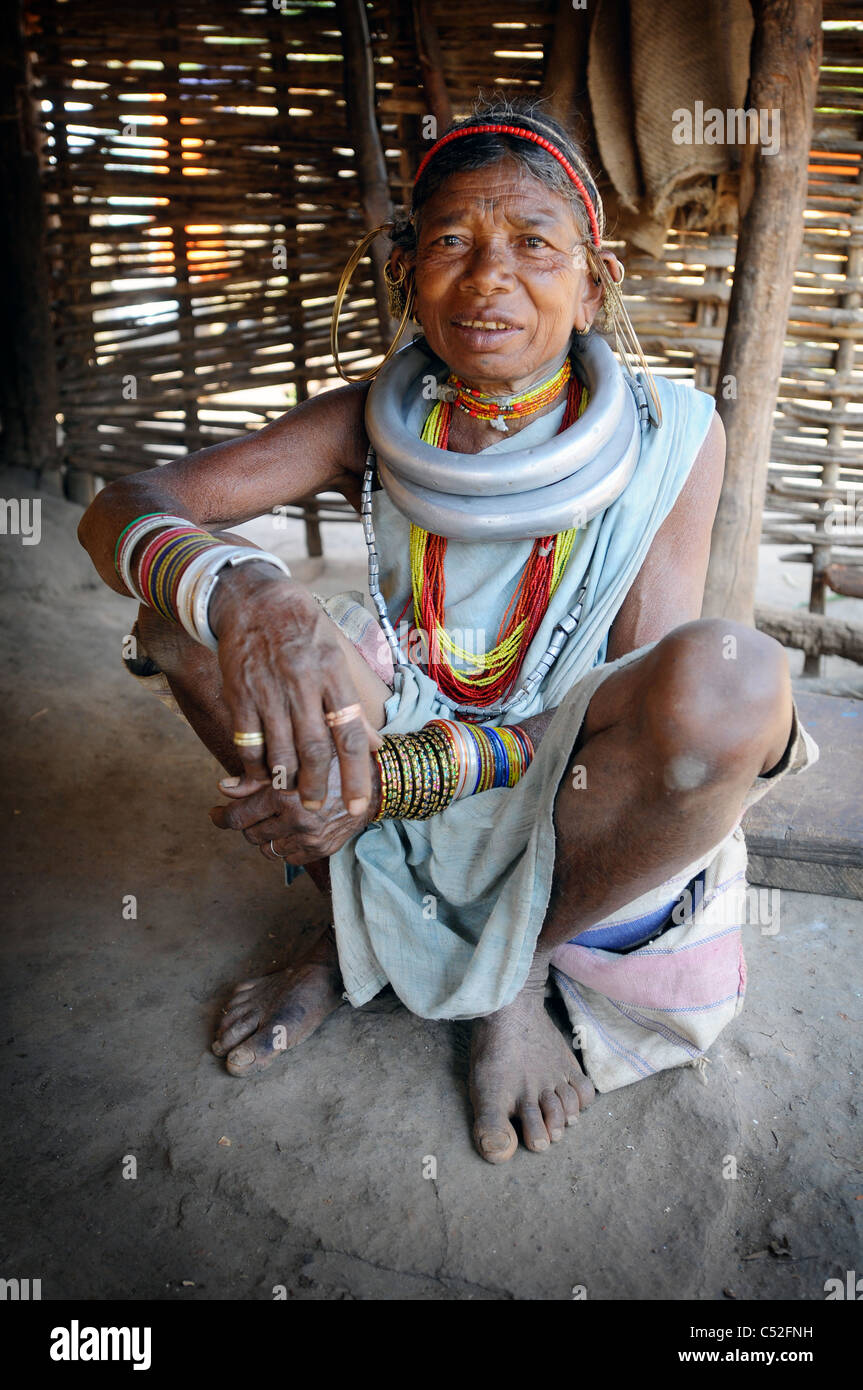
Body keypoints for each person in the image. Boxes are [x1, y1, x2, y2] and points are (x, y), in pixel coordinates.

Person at [79, 100, 817, 1165]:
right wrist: (248, 591)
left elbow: (623, 700)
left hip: (566, 770)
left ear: (592, 276)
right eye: (450, 244)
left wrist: (410, 776)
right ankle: (343, 933)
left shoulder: (672, 438)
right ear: (403, 269)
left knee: (733, 679)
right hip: (383, 739)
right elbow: (119, 508)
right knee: (182, 625)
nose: (487, 280)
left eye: (531, 243)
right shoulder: (371, 419)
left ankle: (517, 970)